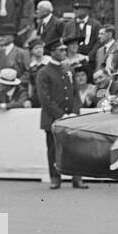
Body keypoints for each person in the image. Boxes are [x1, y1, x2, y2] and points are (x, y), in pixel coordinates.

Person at [36, 38, 84, 189]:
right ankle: (55, 177)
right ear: (52, 52)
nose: (64, 52)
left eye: (64, 50)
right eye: (61, 50)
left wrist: (75, 112)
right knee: (53, 149)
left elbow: (76, 93)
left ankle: (77, 177)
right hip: (53, 118)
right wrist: (61, 115)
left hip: (71, 116)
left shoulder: (69, 69)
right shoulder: (44, 72)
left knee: (75, 148)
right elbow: (45, 98)